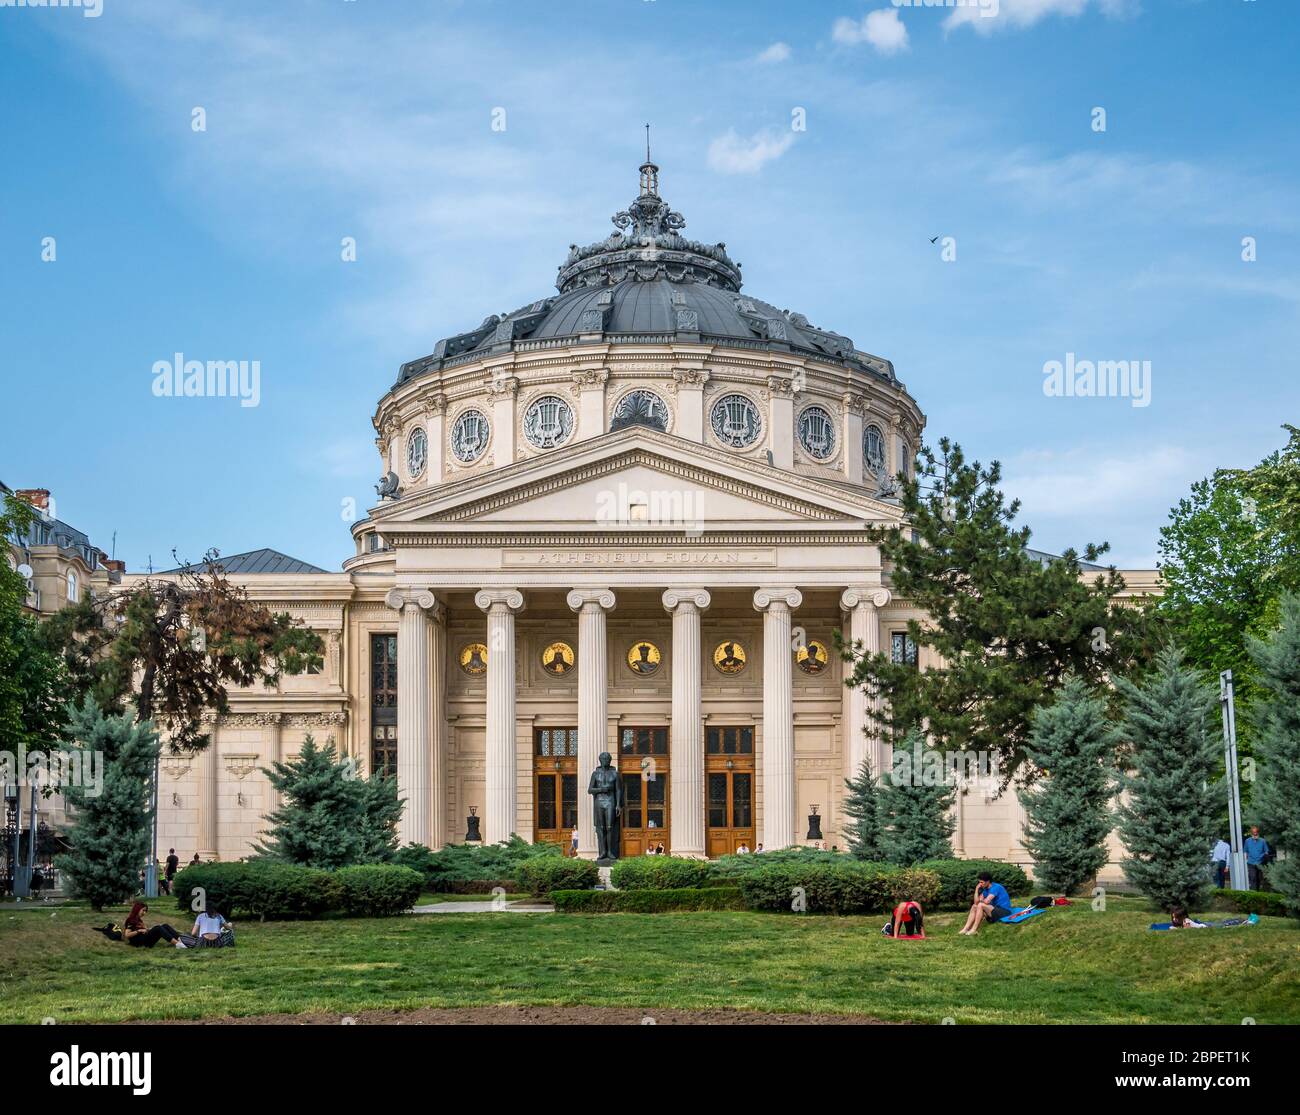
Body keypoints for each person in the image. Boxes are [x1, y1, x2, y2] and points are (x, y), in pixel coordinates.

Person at [960, 871, 1013, 936]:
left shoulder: (996, 887)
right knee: (974, 906)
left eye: (981, 882)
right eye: (979, 882)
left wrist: (982, 900)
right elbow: (976, 902)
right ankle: (966, 928)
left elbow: (986, 901)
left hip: (1004, 911)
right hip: (994, 910)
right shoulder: (985, 889)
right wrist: (976, 890)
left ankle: (974, 930)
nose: (980, 884)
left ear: (988, 881)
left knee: (981, 905)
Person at [122, 902, 189, 949]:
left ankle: (181, 940)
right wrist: (139, 931)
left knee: (165, 925)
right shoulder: (131, 920)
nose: (144, 913)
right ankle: (177, 944)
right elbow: (127, 935)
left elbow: (145, 930)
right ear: (137, 909)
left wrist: (147, 929)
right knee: (158, 928)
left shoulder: (139, 920)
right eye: (143, 910)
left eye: (145, 911)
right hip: (139, 943)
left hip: (145, 940)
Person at [1244, 826, 1270, 891]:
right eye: (1253, 833)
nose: (1255, 834)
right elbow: (1245, 851)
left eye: (1256, 832)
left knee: (1258, 878)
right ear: (1251, 833)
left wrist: (1265, 857)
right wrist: (1246, 858)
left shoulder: (1263, 841)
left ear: (1258, 833)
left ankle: (1257, 890)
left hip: (1260, 862)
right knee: (1252, 877)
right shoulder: (1247, 841)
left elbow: (1266, 851)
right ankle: (1253, 891)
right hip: (1251, 862)